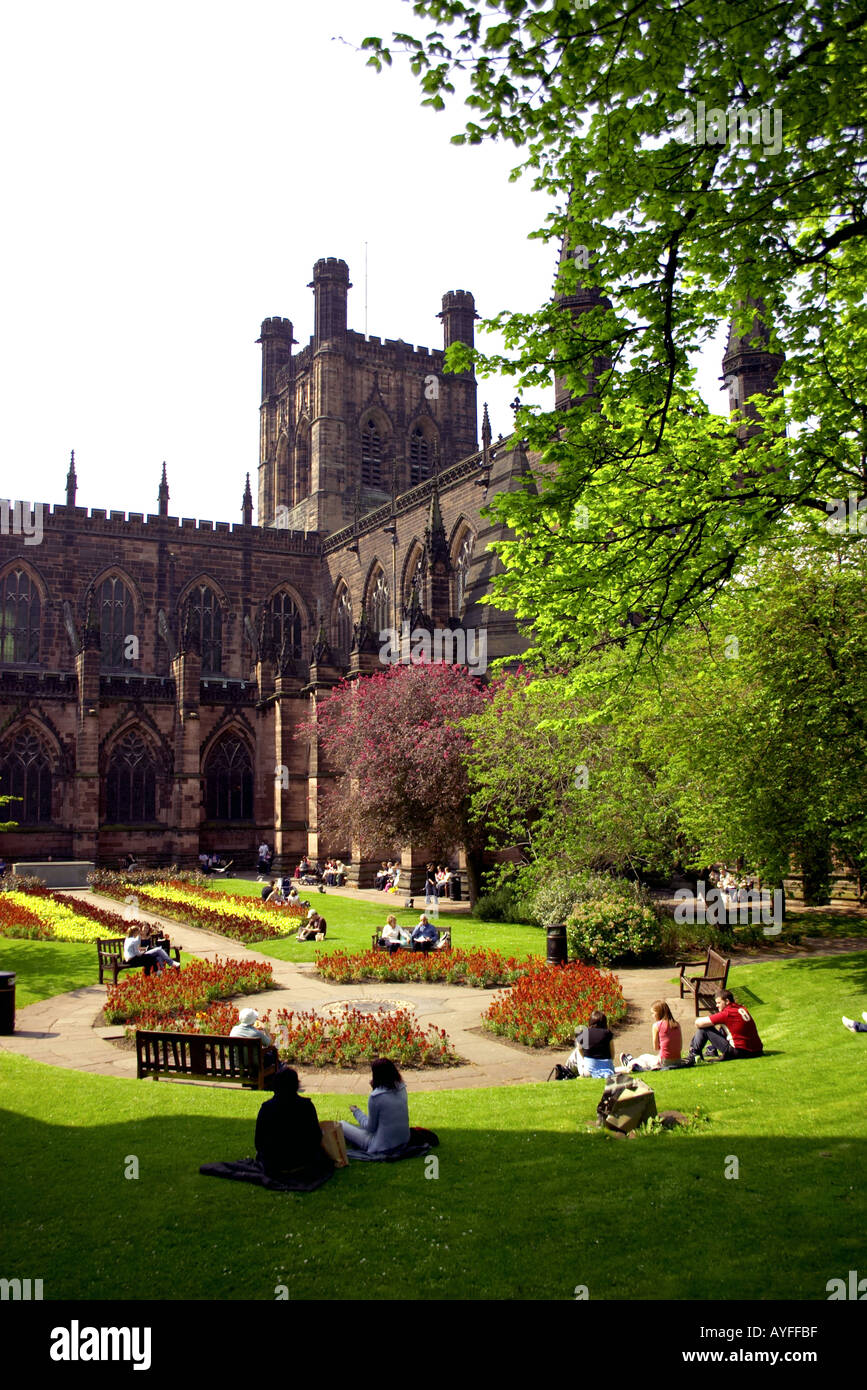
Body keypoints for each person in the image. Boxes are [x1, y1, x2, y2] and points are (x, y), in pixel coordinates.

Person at [254, 1067, 333, 1184]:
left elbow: (259, 1143)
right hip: (303, 1162)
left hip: (275, 1164)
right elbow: (316, 1138)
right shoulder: (306, 1106)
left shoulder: (267, 1108)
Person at [340, 1057, 411, 1155]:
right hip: (403, 1140)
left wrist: (356, 1112)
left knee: (341, 1124)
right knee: (358, 1129)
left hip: (381, 1146)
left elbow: (370, 1128)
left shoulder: (376, 1097)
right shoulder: (402, 1088)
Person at [687, 989, 763, 1063]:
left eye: (719, 1003)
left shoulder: (727, 1013)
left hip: (740, 1051)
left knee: (704, 1029)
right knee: (723, 1027)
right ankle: (712, 1049)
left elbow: (698, 1023)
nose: (717, 1005)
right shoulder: (741, 1008)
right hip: (757, 1050)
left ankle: (694, 1053)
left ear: (727, 1001)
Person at [619, 1000, 683, 1073]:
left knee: (644, 1057)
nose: (652, 1016)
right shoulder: (677, 1024)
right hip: (678, 1060)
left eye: (653, 1013)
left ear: (659, 1013)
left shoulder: (657, 1026)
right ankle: (631, 1061)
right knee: (647, 1057)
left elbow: (656, 1047)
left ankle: (630, 1063)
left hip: (665, 1061)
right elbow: (680, 1047)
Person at [230, 1006, 280, 1072]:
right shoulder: (256, 1034)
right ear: (253, 1021)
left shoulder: (234, 1030)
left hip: (237, 1063)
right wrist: (266, 1029)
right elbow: (270, 1043)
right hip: (255, 1065)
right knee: (272, 1054)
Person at [569, 1010, 615, 1079]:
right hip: (609, 1070)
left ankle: (567, 1069)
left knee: (577, 1050)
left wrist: (585, 1057)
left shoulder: (584, 1033)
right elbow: (612, 1055)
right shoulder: (607, 1033)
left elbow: (579, 1049)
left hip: (588, 1072)